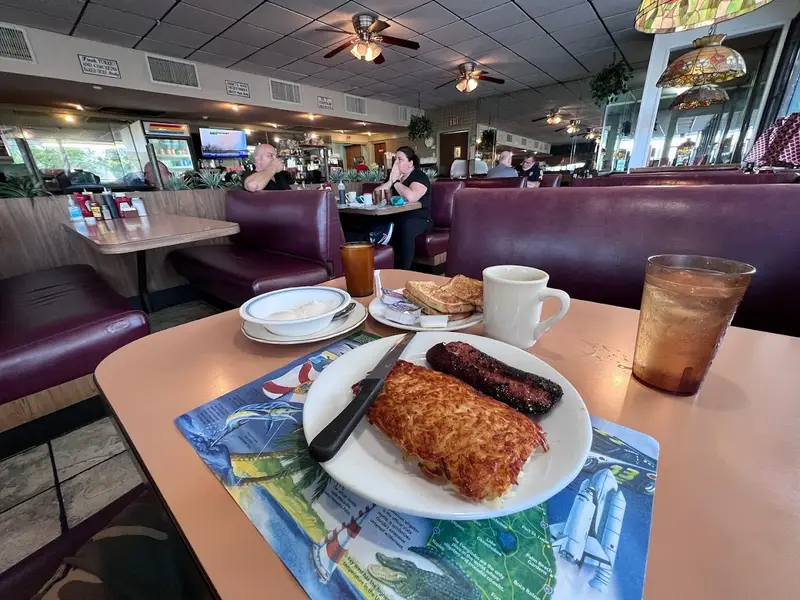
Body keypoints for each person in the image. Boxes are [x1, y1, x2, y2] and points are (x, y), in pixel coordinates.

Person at [374, 146, 433, 270]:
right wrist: (391, 181)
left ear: (410, 163)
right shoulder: (395, 177)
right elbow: (376, 194)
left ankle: (403, 271)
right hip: (397, 217)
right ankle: (380, 268)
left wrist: (396, 183)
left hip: (421, 218)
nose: (396, 163)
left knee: (407, 226)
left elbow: (412, 197)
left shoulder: (419, 176)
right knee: (373, 223)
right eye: (395, 160)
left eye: (400, 159)